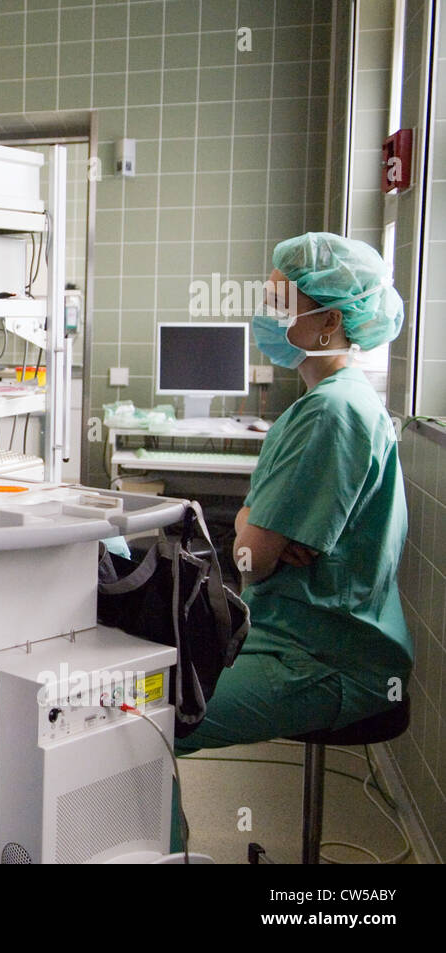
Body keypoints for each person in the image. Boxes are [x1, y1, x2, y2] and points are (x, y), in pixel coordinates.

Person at [176, 233, 410, 752]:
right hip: (299, 634)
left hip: (322, 658)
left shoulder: (333, 411)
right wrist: (261, 527)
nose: (266, 313)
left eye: (281, 303)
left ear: (331, 320)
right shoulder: (332, 399)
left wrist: (255, 529)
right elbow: (261, 547)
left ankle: (156, 836)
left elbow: (250, 562)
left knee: (149, 722)